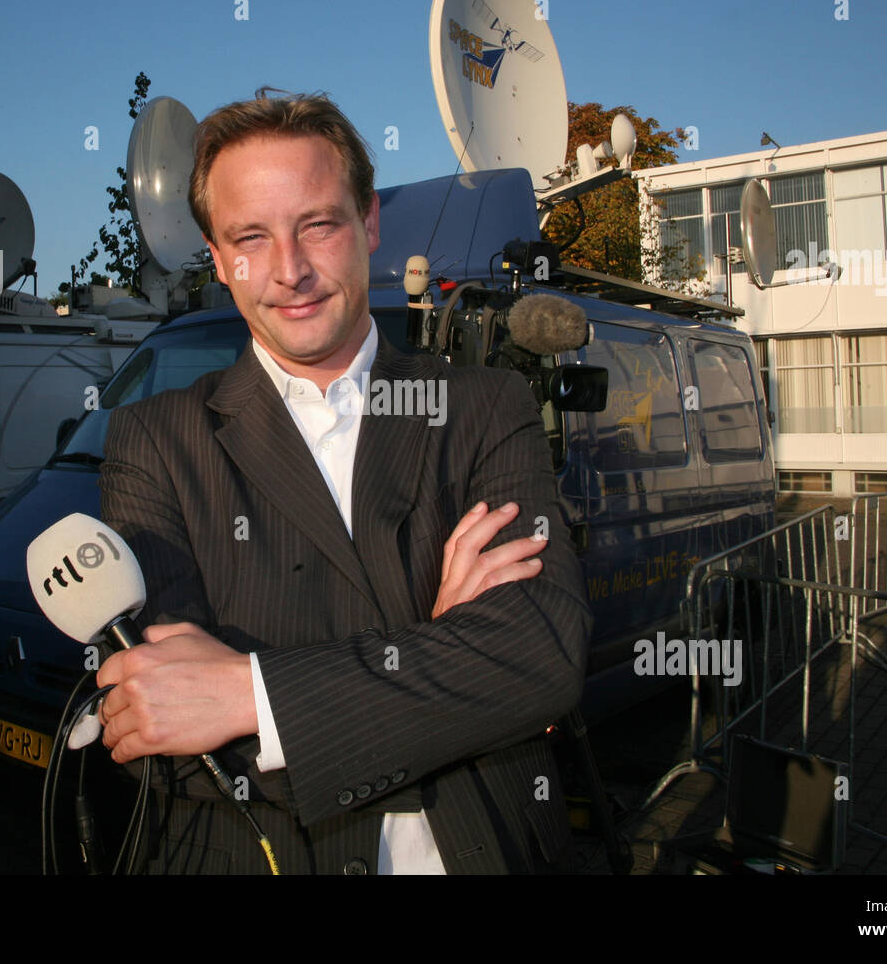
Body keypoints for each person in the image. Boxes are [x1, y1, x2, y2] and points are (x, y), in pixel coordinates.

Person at [95, 89, 594, 874]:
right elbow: (166, 747)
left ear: (368, 223)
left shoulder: (484, 407)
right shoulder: (154, 442)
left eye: (318, 224)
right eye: (250, 237)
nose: (289, 271)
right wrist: (441, 648)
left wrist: (245, 696)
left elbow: (540, 657)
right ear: (219, 259)